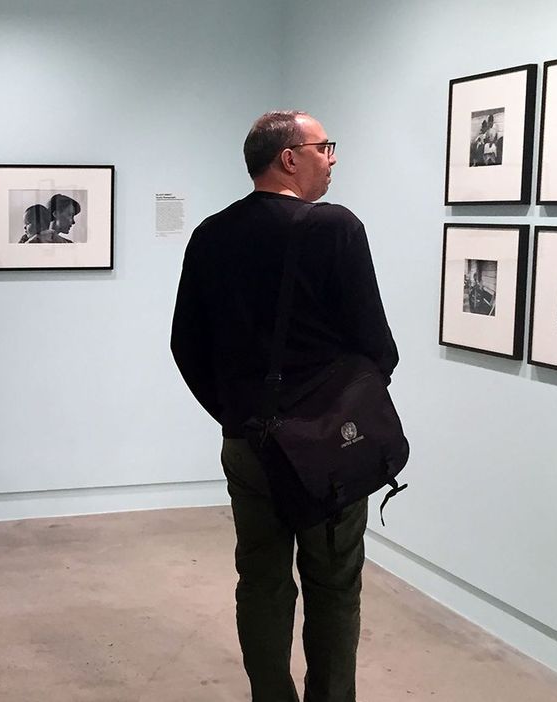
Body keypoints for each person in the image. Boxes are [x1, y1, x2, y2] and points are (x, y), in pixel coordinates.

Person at [170, 111, 398, 702]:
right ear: (288, 157)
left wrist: (237, 414)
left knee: (262, 581)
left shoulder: (210, 234)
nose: (333, 157)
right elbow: (377, 346)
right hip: (324, 447)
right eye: (325, 146)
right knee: (334, 584)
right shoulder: (336, 229)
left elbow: (184, 344)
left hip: (248, 444)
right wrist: (346, 408)